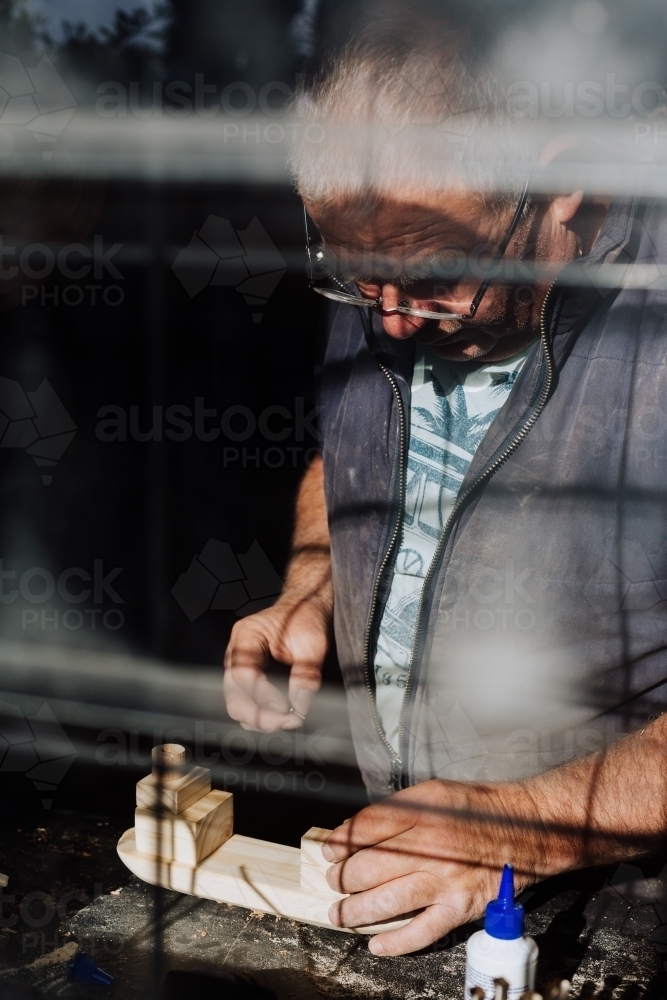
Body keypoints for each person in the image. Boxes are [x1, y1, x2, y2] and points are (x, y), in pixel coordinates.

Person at [224, 1, 667, 956]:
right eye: (356, 283)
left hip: (612, 913)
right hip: (430, 868)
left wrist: (522, 825)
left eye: (430, 283)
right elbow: (348, 450)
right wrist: (312, 575)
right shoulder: (398, 261)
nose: (387, 323)